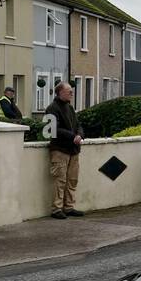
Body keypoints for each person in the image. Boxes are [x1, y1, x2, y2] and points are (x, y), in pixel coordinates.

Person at [45, 82, 85, 219]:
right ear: (60, 92)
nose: (72, 93)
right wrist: (73, 136)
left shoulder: (70, 108)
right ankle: (56, 209)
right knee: (60, 180)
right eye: (69, 91)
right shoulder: (52, 108)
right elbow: (52, 129)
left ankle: (69, 207)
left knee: (72, 179)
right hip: (60, 149)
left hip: (73, 150)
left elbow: (78, 124)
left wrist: (80, 134)